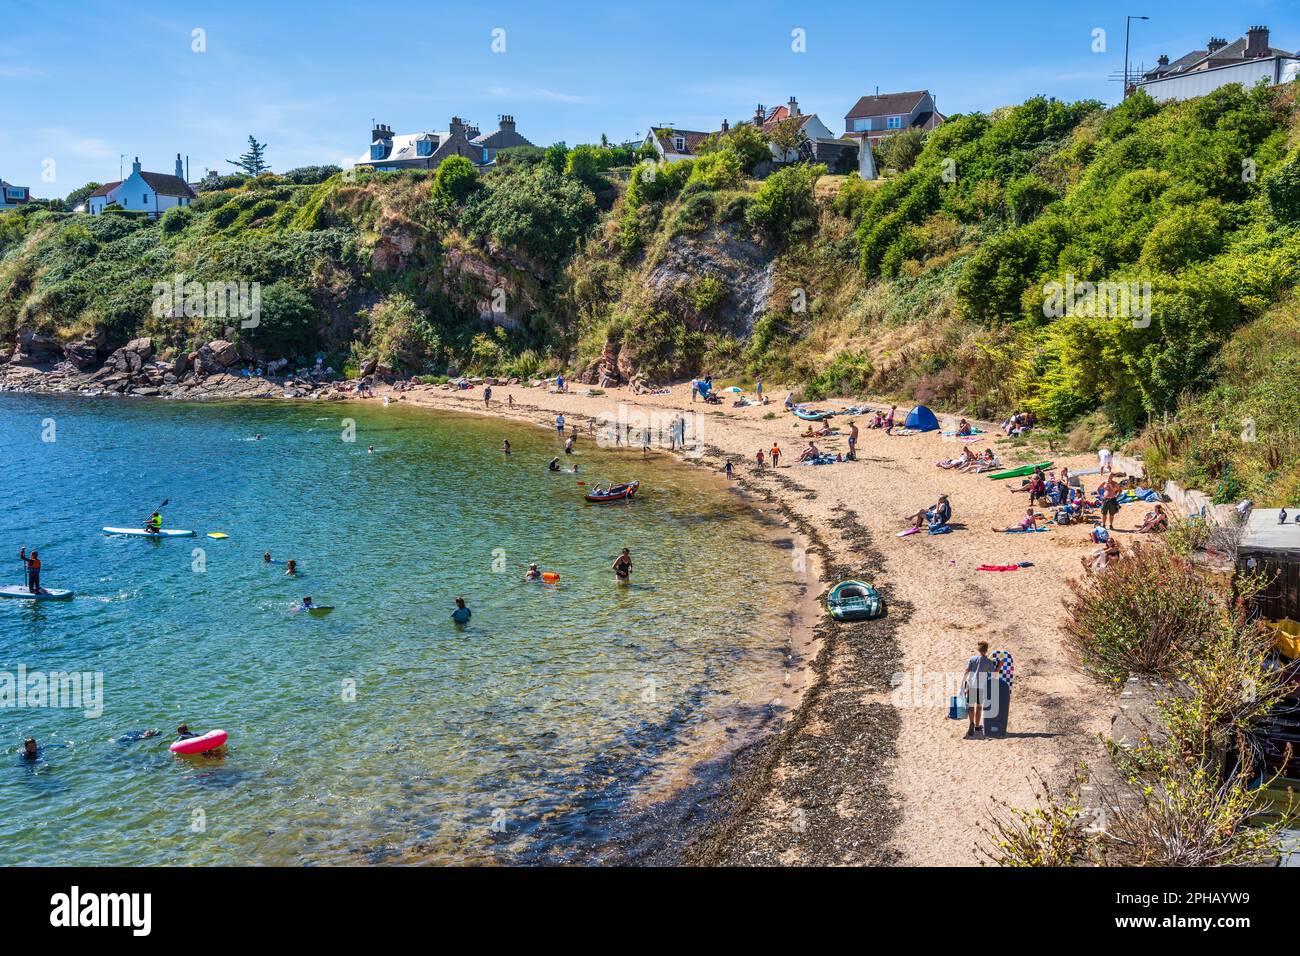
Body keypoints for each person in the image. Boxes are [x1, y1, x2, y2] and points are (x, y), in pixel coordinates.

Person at [961, 642, 997, 738]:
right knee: (979, 707)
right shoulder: (988, 662)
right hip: (981, 686)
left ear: (978, 649)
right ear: (986, 650)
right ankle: (977, 726)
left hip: (971, 685)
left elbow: (966, 671)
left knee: (971, 706)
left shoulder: (972, 659)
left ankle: (971, 723)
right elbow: (994, 674)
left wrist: (963, 683)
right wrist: (1000, 665)